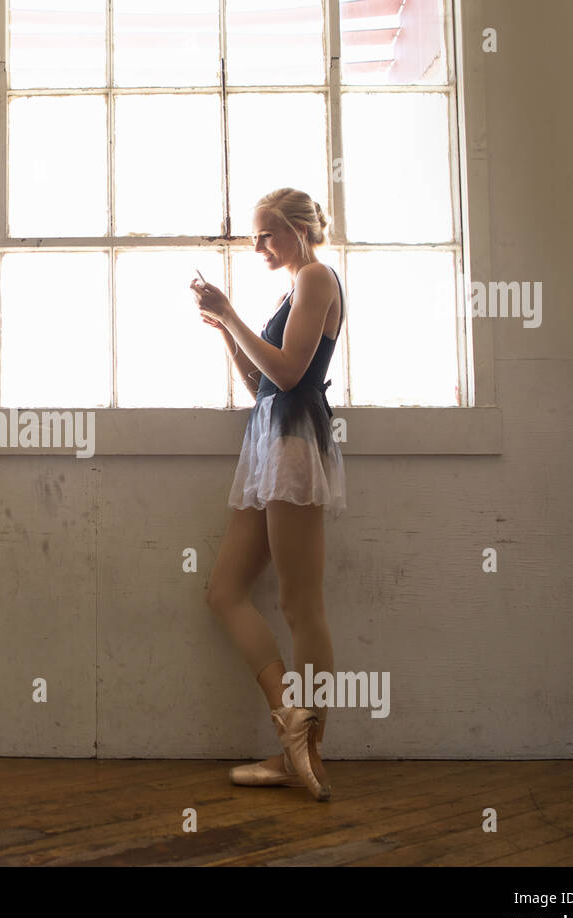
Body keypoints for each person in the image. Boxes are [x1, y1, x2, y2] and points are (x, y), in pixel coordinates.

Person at [191, 187, 347, 801]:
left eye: (265, 234)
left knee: (300, 604)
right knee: (224, 591)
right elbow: (261, 381)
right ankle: (293, 726)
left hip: (292, 445)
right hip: (267, 443)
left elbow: (287, 374)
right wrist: (225, 330)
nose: (257, 245)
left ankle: (306, 751)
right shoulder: (293, 288)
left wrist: (231, 313)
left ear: (297, 229)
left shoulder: (316, 278)